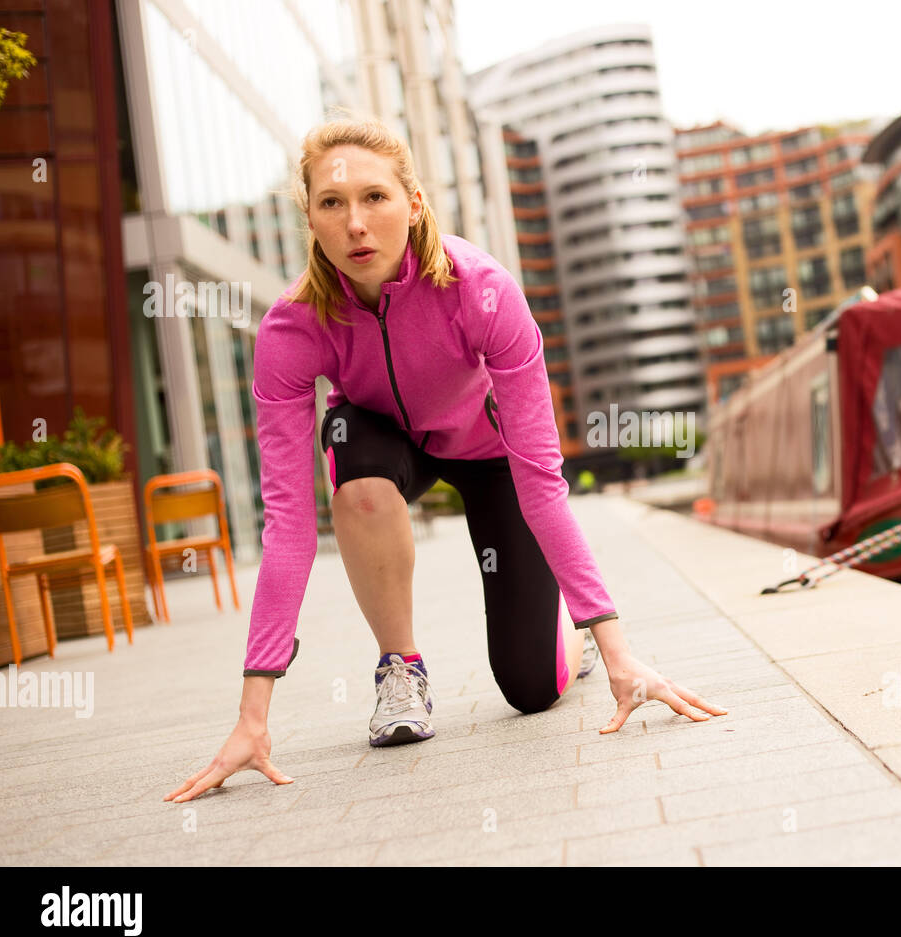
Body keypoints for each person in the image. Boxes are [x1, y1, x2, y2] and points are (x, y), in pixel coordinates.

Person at [166, 116, 726, 804]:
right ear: (310, 219)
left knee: (528, 687)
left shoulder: (481, 290)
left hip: (489, 456)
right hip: (386, 442)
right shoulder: (293, 327)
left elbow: (543, 483)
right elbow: (287, 524)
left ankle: (564, 642)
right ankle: (401, 673)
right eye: (332, 204)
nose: (357, 224)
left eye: (375, 197)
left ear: (414, 204)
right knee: (354, 460)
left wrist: (616, 650)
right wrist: (252, 716)